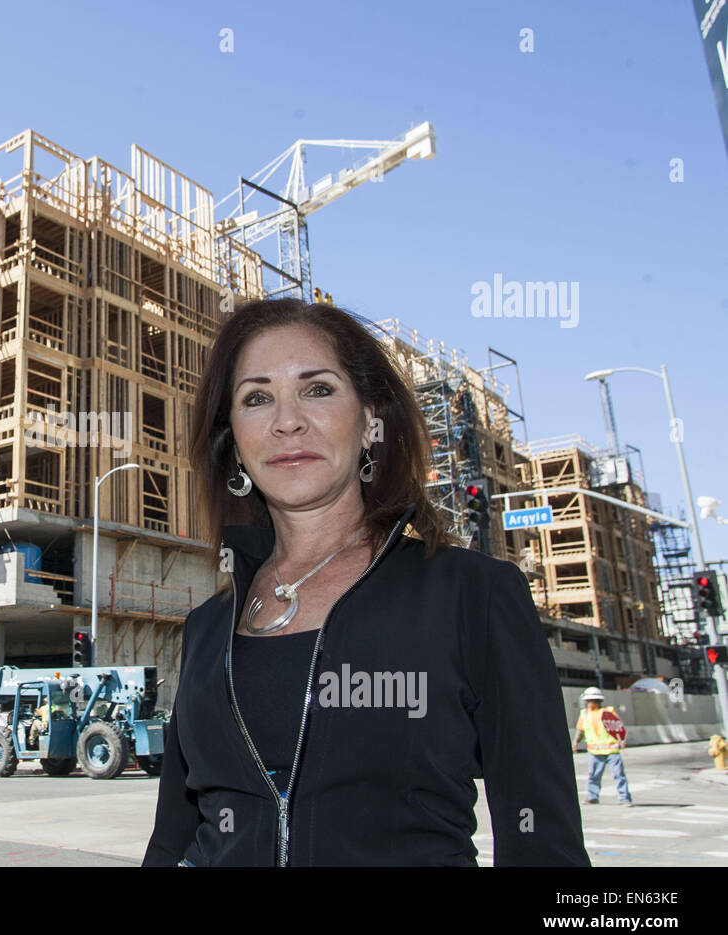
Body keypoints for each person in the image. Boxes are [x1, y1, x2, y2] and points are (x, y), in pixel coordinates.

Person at [142, 297, 589, 867]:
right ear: (232, 439)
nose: (286, 420)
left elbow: (542, 844)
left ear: (371, 419)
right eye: (257, 398)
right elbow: (172, 838)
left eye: (318, 389)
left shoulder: (473, 597)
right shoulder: (206, 628)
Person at [572, 687, 633, 806]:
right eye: (589, 700)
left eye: (593, 700)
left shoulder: (608, 712)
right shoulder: (584, 714)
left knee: (619, 775)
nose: (590, 703)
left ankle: (625, 798)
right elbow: (580, 731)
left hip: (611, 750)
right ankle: (592, 796)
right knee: (593, 776)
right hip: (594, 751)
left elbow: (617, 727)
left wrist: (622, 740)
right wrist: (575, 743)